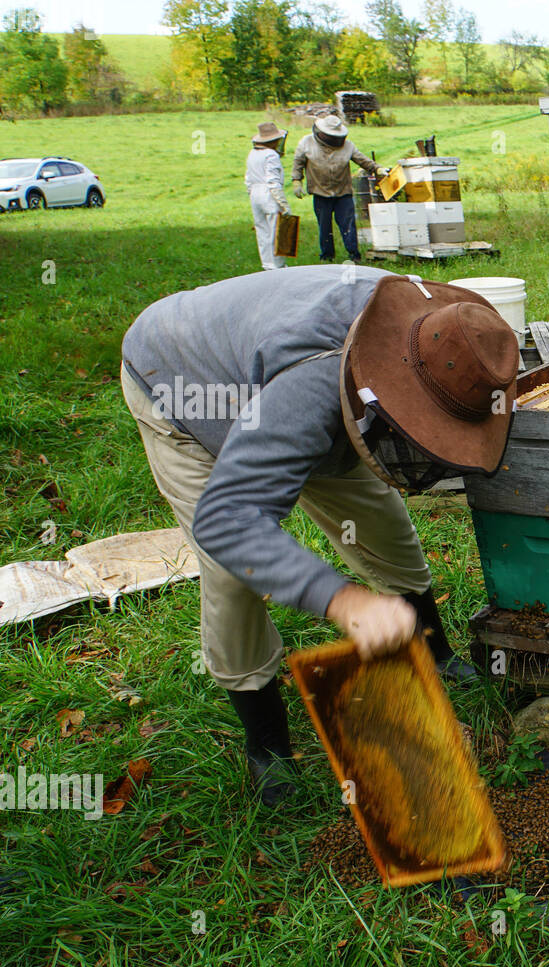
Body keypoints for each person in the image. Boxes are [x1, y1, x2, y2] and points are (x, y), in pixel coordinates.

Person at [119, 266, 520, 806]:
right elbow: (227, 519)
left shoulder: (442, 335)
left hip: (293, 383)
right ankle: (266, 744)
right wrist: (344, 602)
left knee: (381, 521)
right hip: (183, 386)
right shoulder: (313, 385)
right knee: (233, 574)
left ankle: (435, 650)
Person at [291, 114, 385, 264]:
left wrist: (377, 168)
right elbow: (298, 162)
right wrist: (296, 180)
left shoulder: (347, 145)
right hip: (320, 192)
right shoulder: (306, 142)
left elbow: (361, 159)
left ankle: (354, 255)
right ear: (321, 132)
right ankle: (327, 256)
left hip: (343, 192)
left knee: (348, 224)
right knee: (324, 226)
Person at [245, 121, 290, 271]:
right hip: (268, 194)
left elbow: (248, 178)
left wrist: (251, 192)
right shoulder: (271, 155)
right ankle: (278, 266)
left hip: (254, 193)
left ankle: (267, 264)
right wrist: (283, 204)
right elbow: (273, 181)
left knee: (262, 230)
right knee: (277, 230)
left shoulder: (252, 153)